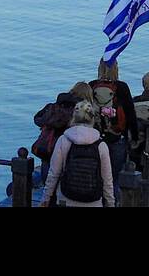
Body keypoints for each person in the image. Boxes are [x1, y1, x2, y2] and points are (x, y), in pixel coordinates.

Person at [40, 101, 115, 208]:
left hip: (66, 199)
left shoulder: (64, 140)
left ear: (73, 117)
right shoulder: (101, 145)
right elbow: (107, 179)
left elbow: (53, 173)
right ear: (92, 119)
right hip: (93, 202)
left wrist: (45, 199)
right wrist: (110, 203)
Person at [91, 60, 138, 205]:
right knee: (114, 178)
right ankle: (112, 203)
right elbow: (130, 115)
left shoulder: (91, 85)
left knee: (96, 176)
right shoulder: (122, 87)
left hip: (96, 140)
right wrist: (134, 137)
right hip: (117, 138)